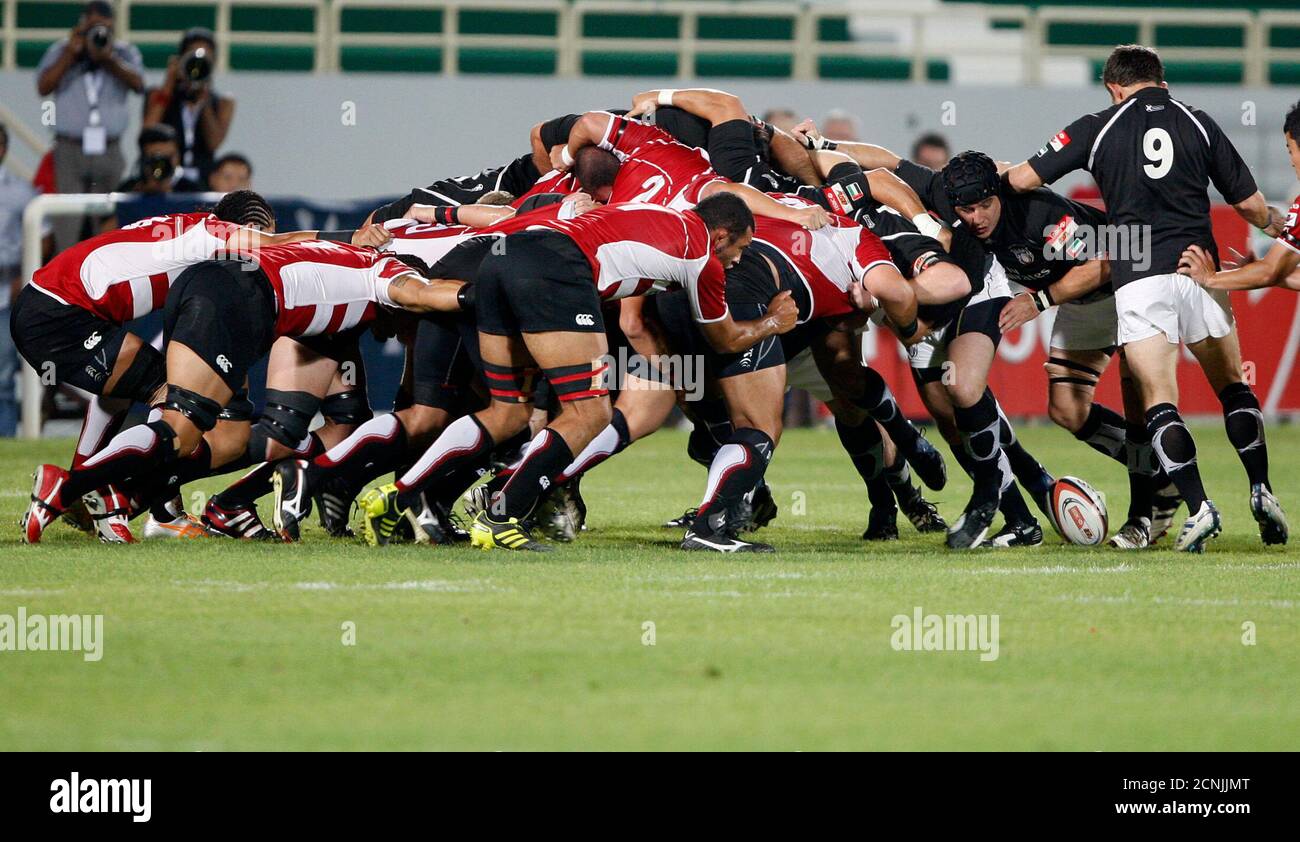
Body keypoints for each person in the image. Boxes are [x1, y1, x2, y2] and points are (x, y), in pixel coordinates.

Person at [1004, 44, 1288, 552]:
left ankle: (1199, 507)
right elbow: (1248, 205)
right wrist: (1280, 224)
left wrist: (1004, 175)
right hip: (1201, 269)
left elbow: (1023, 178)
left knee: (1157, 399)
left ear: (1114, 87)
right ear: (1162, 81)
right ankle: (1261, 489)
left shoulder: (1097, 125)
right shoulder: (1198, 121)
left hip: (1138, 276)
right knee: (1232, 388)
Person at [35, 1, 144, 252]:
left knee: (109, 221)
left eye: (102, 25)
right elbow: (44, 86)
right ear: (82, 25)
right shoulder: (63, 50)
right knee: (66, 222)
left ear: (113, 25)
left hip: (109, 148)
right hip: (69, 148)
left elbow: (138, 84)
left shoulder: (123, 52)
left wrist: (108, 59)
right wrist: (72, 53)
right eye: (91, 25)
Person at [143, 27, 235, 186]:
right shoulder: (159, 94)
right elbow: (147, 132)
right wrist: (169, 82)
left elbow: (214, 143)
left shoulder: (222, 102)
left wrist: (203, 100)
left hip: (203, 179)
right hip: (163, 177)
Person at [0, 124, 40, 436]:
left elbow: (43, 235)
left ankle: (5, 444)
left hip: (4, 293)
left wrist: (24, 275)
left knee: (3, 380)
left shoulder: (22, 193)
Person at [115, 124, 204, 194]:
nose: (162, 163)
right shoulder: (130, 190)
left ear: (178, 156)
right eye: (156, 157)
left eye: (169, 156)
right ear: (144, 158)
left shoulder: (193, 191)